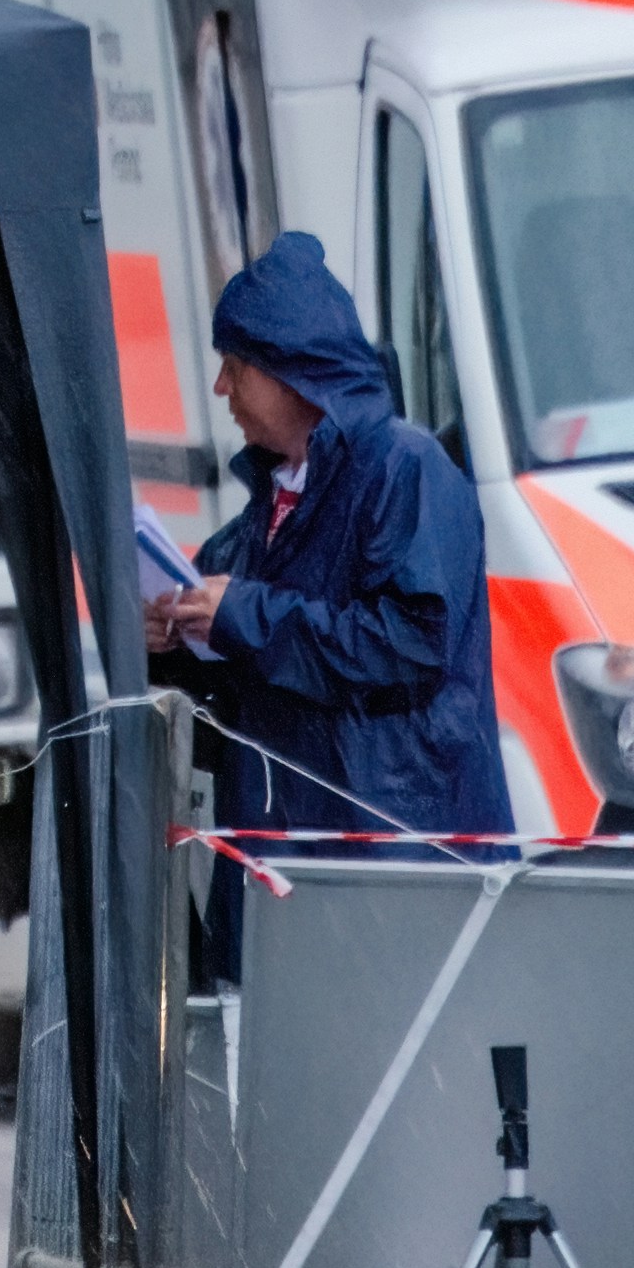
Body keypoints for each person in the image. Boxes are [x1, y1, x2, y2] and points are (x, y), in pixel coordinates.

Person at [147, 234, 504, 905]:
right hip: (288, 864)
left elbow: (410, 643)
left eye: (235, 366)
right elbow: (240, 684)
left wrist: (240, 615)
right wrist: (169, 644)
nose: (220, 387)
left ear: (292, 371)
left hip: (396, 866)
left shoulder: (407, 469)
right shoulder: (256, 520)